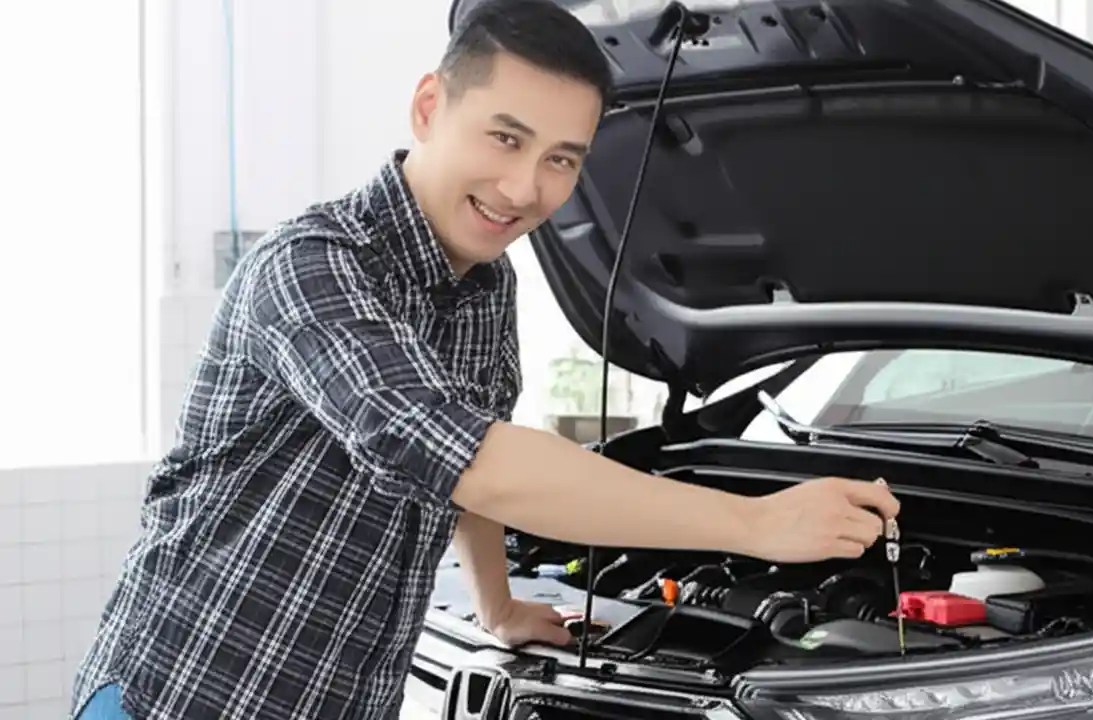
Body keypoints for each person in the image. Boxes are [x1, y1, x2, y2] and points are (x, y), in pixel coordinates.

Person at [69, 0, 899, 717]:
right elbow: (473, 462)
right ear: (429, 107)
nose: (521, 188)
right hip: (180, 692)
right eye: (505, 138)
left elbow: (474, 452)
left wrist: (497, 605)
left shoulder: (487, 286)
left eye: (560, 161)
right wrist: (754, 523)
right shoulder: (312, 267)